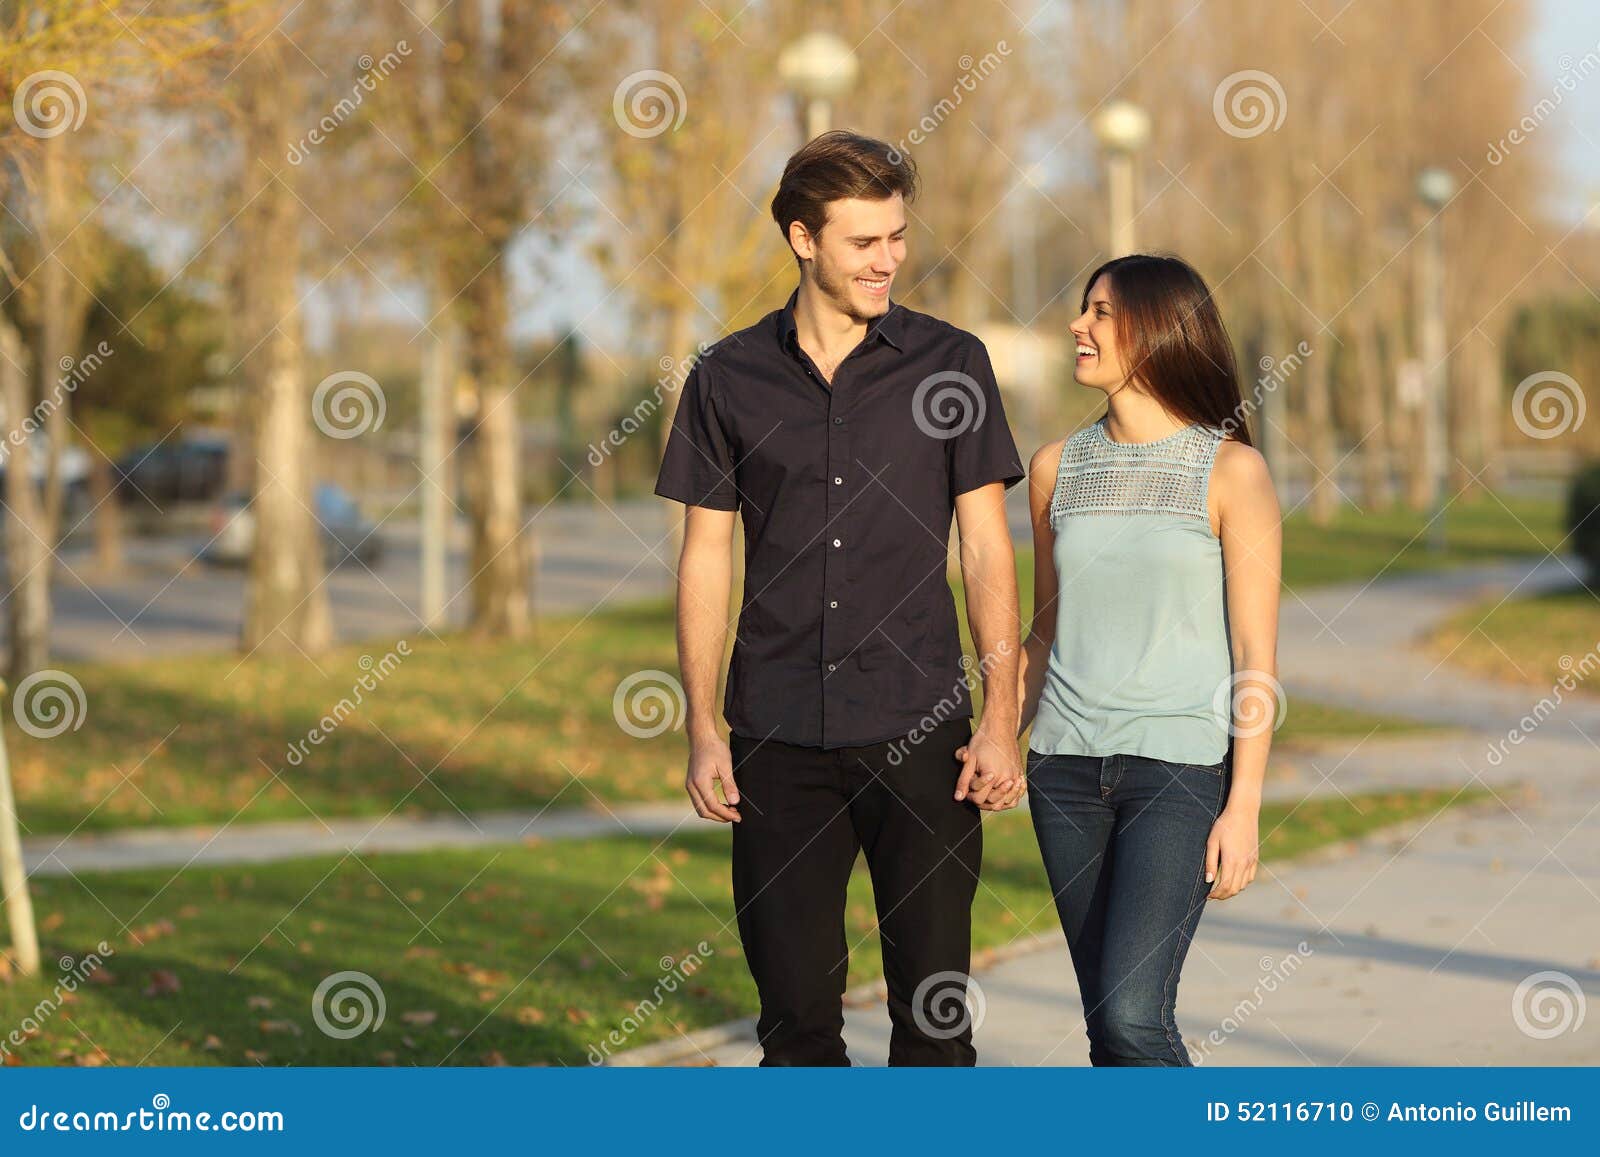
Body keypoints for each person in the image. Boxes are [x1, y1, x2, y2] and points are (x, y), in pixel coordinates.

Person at [653, 130, 1027, 1065]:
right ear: (802, 238)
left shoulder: (952, 363)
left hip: (925, 734)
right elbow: (706, 558)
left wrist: (1002, 717)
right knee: (795, 1026)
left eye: (897, 236)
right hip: (776, 738)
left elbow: (985, 545)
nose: (889, 259)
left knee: (936, 1023)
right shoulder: (726, 375)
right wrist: (702, 724)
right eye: (865, 241)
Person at [1011, 253, 1282, 1066]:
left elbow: (1254, 658)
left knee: (1132, 1013)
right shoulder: (1057, 467)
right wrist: (997, 733)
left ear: (1157, 330)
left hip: (1178, 772)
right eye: (1082, 307)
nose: (1077, 326)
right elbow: (1043, 630)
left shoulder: (1232, 469)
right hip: (1063, 772)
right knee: (1108, 1025)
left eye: (1100, 311)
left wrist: (1245, 806)